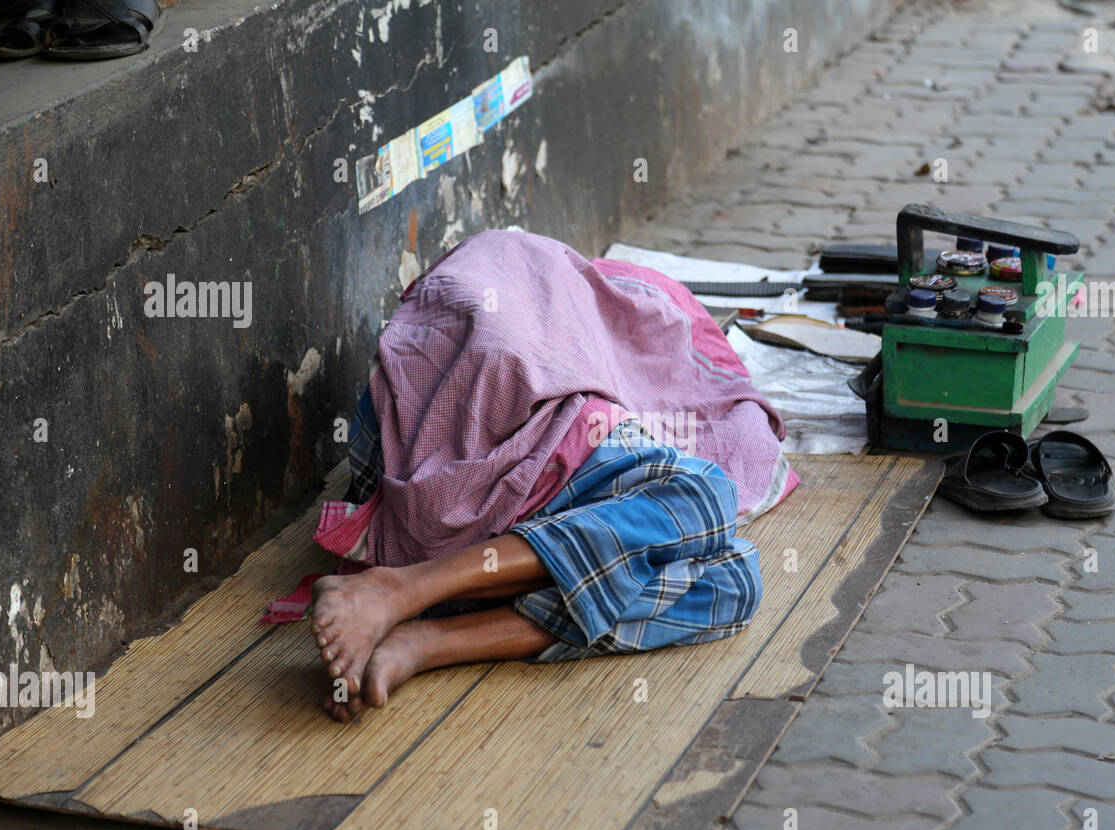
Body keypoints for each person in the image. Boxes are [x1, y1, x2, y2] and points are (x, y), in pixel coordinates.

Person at [308, 230, 797, 722]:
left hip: (547, 525)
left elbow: (640, 363)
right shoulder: (528, 263)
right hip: (553, 440)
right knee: (706, 495)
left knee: (736, 581)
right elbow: (496, 295)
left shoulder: (640, 305)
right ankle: (402, 591)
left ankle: (424, 638)